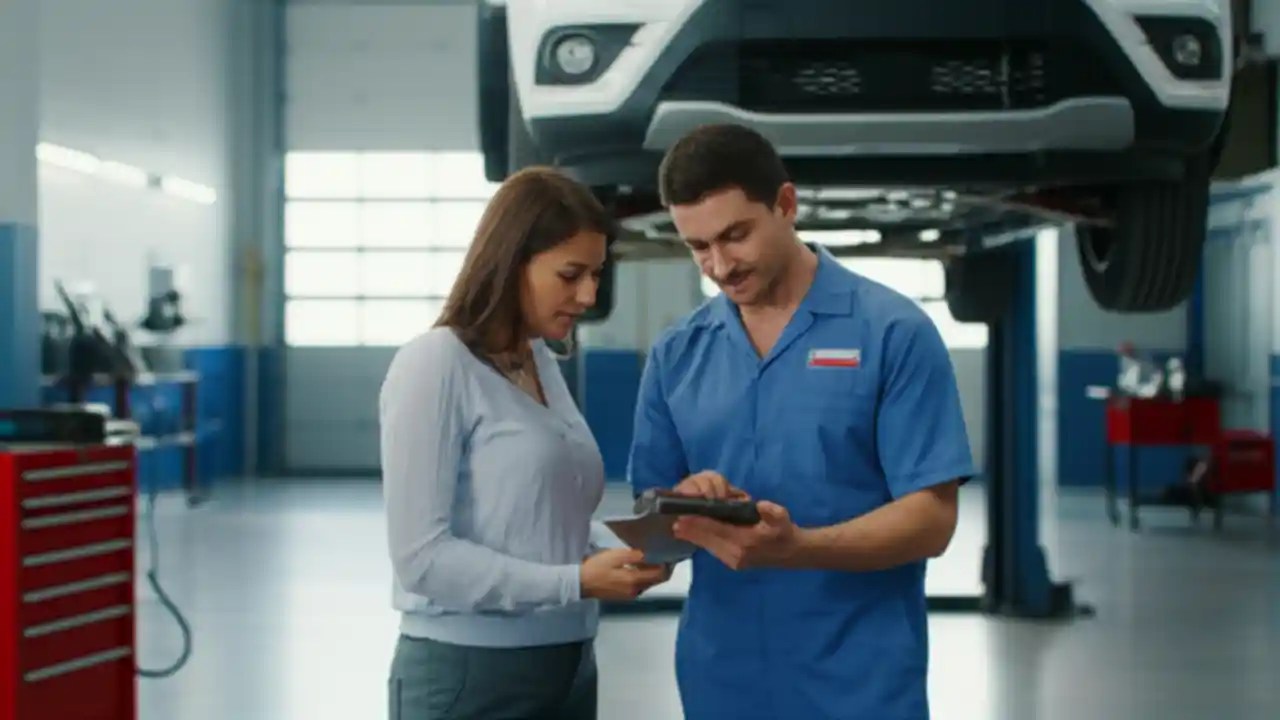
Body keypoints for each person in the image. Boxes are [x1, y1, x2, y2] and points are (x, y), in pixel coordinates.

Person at [627, 124, 975, 720]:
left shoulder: (893, 333)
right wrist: (686, 501)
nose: (720, 265)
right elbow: (650, 518)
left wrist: (800, 548)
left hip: (860, 684)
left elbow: (932, 519)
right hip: (722, 680)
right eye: (698, 246)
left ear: (786, 205)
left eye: (735, 235)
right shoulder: (677, 353)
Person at [380, 166, 671, 720]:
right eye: (570, 275)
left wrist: (642, 543)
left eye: (596, 275)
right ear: (512, 262)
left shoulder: (540, 359)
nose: (588, 295)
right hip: (469, 673)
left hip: (568, 662)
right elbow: (422, 559)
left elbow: (543, 522)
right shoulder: (435, 363)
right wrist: (574, 581)